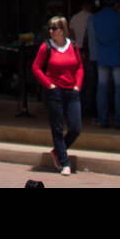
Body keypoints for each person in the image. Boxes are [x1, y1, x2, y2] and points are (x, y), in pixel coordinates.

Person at [32, 16, 85, 175]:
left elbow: (79, 67)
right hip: (54, 92)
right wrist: (49, 85)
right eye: (50, 28)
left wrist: (77, 86)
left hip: (71, 91)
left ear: (62, 30)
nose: (51, 31)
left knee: (76, 127)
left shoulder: (73, 46)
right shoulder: (45, 47)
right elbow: (36, 68)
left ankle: (57, 151)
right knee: (57, 128)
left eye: (54, 28)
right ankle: (64, 162)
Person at [89, 0, 120, 128]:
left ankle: (103, 119)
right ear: (116, 4)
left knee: (102, 89)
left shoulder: (95, 18)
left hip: (103, 56)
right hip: (118, 55)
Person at [69, 0, 96, 117]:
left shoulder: (74, 18)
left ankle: (78, 107)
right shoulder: (92, 17)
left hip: (77, 52)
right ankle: (89, 108)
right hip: (89, 52)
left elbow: (71, 36)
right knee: (90, 82)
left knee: (78, 82)